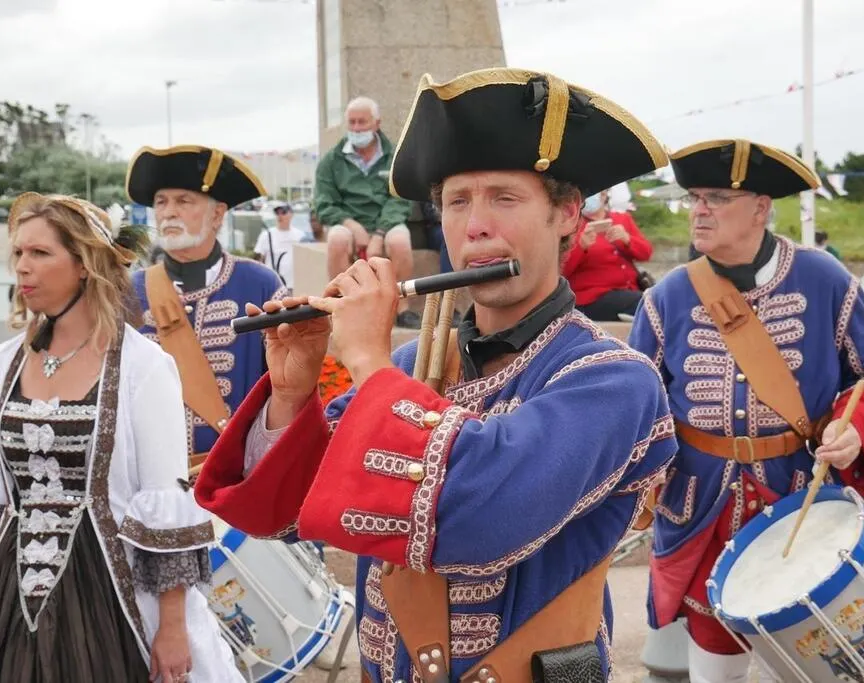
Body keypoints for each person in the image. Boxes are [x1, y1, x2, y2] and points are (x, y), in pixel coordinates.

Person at [195, 67, 679, 682]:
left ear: (566, 215)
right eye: (457, 201)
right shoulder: (411, 367)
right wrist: (292, 395)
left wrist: (366, 362)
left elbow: (481, 518)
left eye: (504, 198)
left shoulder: (612, 379)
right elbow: (282, 514)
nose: (475, 225)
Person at [627, 139, 864, 683]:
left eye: (715, 198)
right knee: (714, 669)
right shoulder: (666, 297)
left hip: (801, 499)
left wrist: (853, 429)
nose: (699, 210)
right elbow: (637, 401)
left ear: (760, 208)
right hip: (702, 507)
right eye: (694, 198)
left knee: (806, 661)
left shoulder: (826, 280)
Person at [0, 193, 241, 682]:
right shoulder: (3, 362)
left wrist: (171, 628)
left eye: (40, 253)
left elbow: (164, 502)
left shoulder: (144, 366)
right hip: (7, 595)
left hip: (114, 594)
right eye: (18, 252)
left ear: (84, 264)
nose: (22, 266)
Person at [126, 145, 286, 466]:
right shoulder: (128, 291)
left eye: (183, 201)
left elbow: (284, 389)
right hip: (147, 476)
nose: (169, 212)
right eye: (161, 202)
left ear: (217, 214)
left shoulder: (261, 284)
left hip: (231, 476)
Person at [314, 96, 420, 328]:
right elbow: (324, 204)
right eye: (352, 122)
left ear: (377, 123)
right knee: (337, 239)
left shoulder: (395, 157)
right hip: (348, 222)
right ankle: (343, 305)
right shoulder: (331, 161)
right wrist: (351, 225)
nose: (356, 128)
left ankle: (401, 308)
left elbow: (400, 198)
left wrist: (379, 234)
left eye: (362, 122)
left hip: (387, 222)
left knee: (400, 242)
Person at [563, 189, 653, 320]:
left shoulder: (622, 218)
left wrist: (627, 239)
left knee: (662, 298)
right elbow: (561, 271)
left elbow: (646, 254)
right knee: (648, 302)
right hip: (592, 298)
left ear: (604, 195)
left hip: (630, 291)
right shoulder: (570, 226)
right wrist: (581, 246)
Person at [254, 200, 308, 291]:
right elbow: (259, 261)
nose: (280, 216)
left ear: (291, 214)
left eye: (283, 212)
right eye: (277, 213)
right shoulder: (266, 235)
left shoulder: (300, 236)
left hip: (294, 286)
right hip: (272, 286)